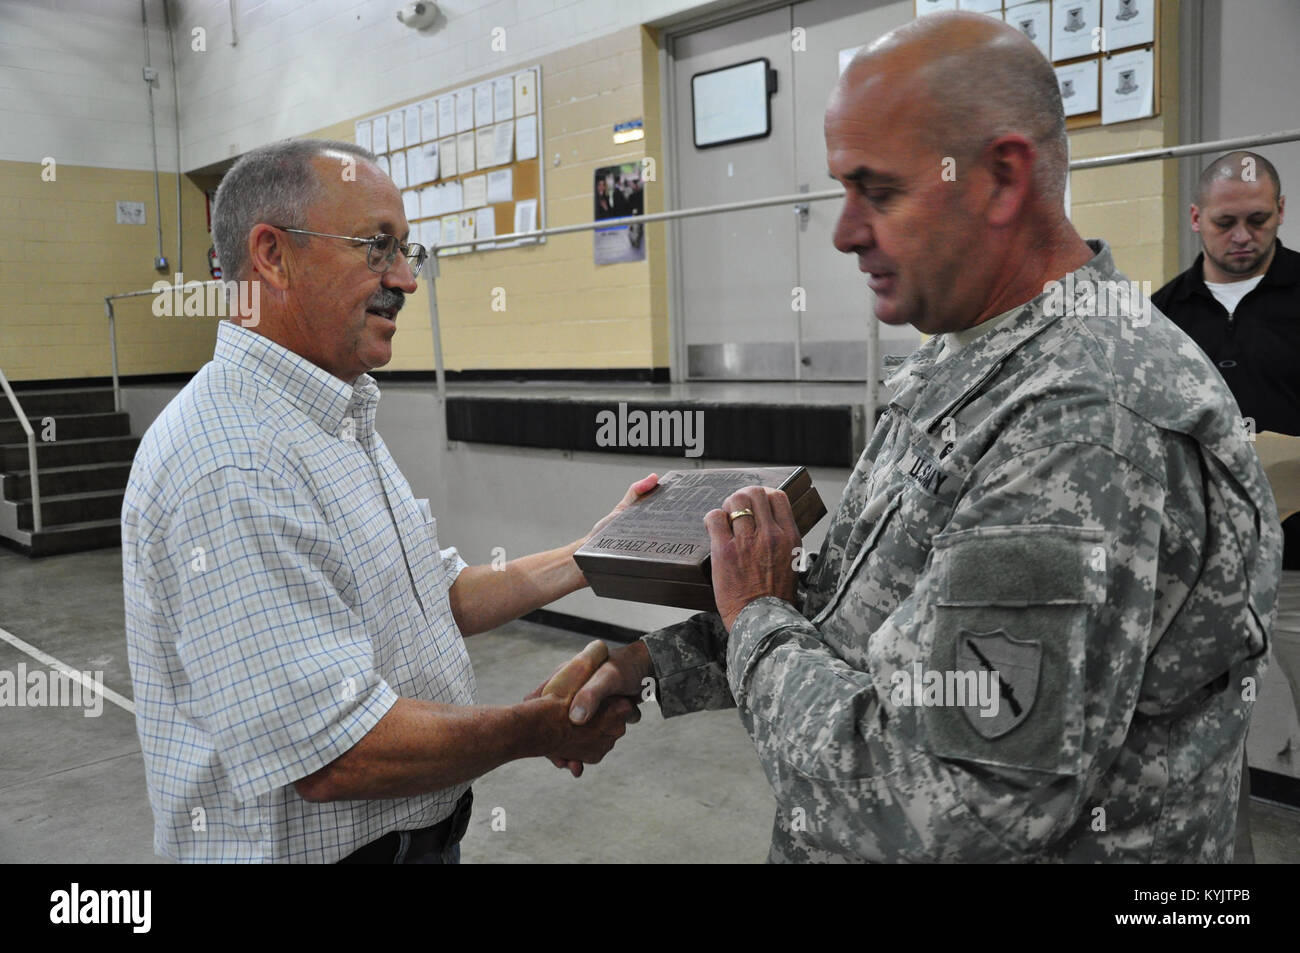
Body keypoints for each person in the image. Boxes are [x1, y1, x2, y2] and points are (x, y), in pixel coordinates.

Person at [560, 12, 1282, 862]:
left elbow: (948, 803)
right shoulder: (973, 353)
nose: (843, 231)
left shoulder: (1085, 418)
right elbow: (865, 611)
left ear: (1001, 178)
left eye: (879, 190)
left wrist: (753, 618)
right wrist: (655, 659)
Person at [121, 138, 649, 864]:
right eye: (376, 247)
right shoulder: (232, 461)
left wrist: (598, 550)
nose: (404, 279)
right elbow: (334, 755)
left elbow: (437, 596)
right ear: (272, 256)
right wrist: (538, 726)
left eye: (406, 251)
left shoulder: (333, 416)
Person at [1151, 150, 1300, 862]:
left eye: (1258, 220)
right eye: (1225, 222)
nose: (1243, 236)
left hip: (1299, 568)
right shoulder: (1163, 314)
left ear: (1281, 212)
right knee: (1205, 749)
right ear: (1195, 219)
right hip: (1204, 575)